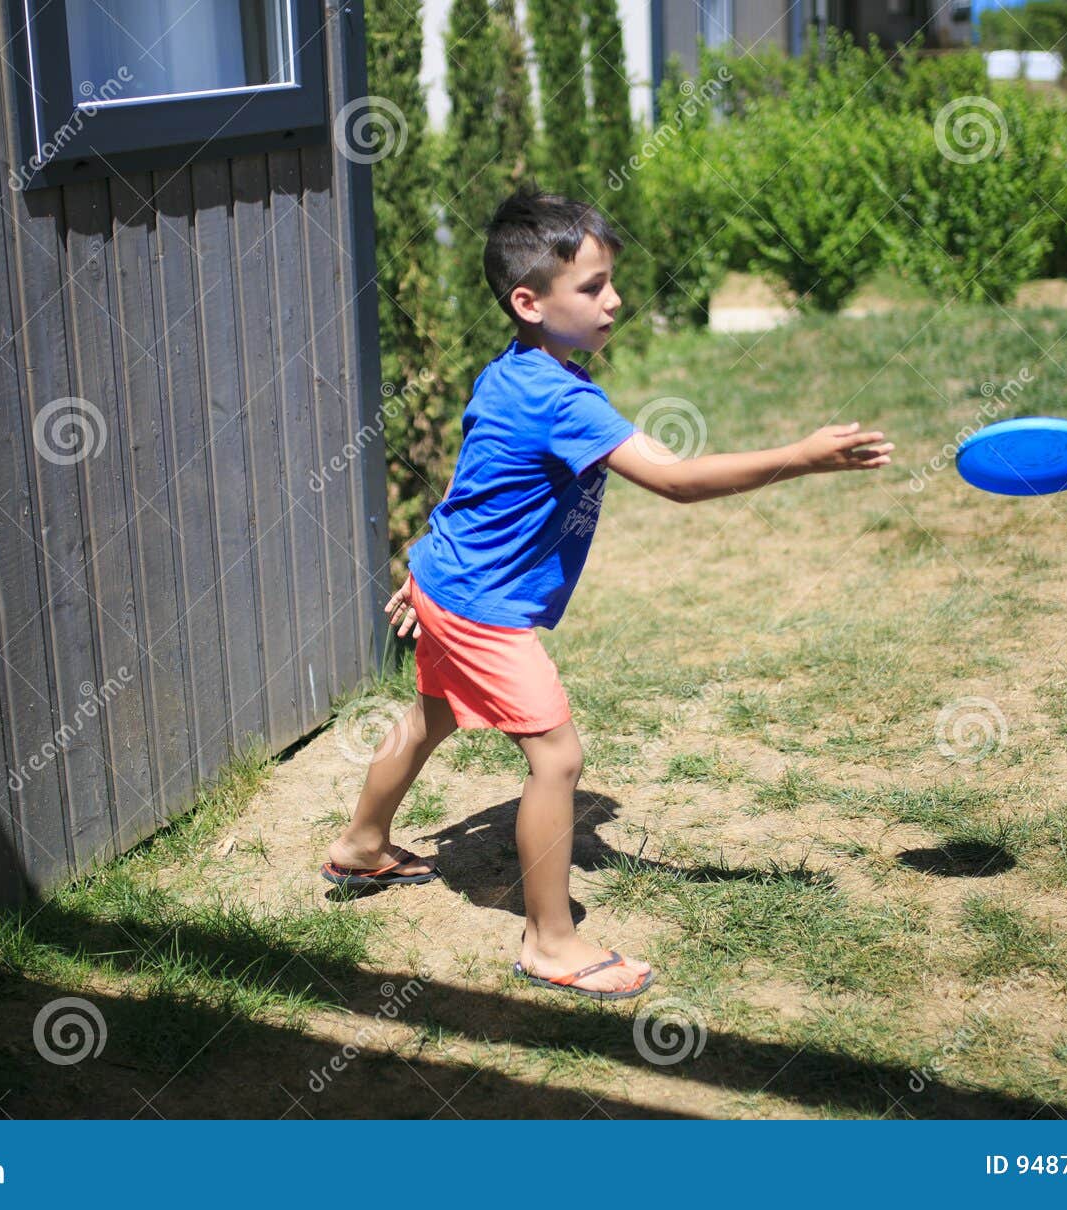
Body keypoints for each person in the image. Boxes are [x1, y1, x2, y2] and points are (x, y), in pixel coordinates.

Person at [322, 187, 895, 1000]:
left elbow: (472, 485)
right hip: (478, 608)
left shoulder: (514, 374)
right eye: (592, 287)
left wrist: (423, 569)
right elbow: (676, 481)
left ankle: (360, 847)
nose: (614, 299)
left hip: (448, 584)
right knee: (557, 756)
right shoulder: (560, 398)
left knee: (433, 716)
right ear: (529, 301)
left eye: (609, 282)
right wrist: (798, 456)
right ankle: (551, 941)